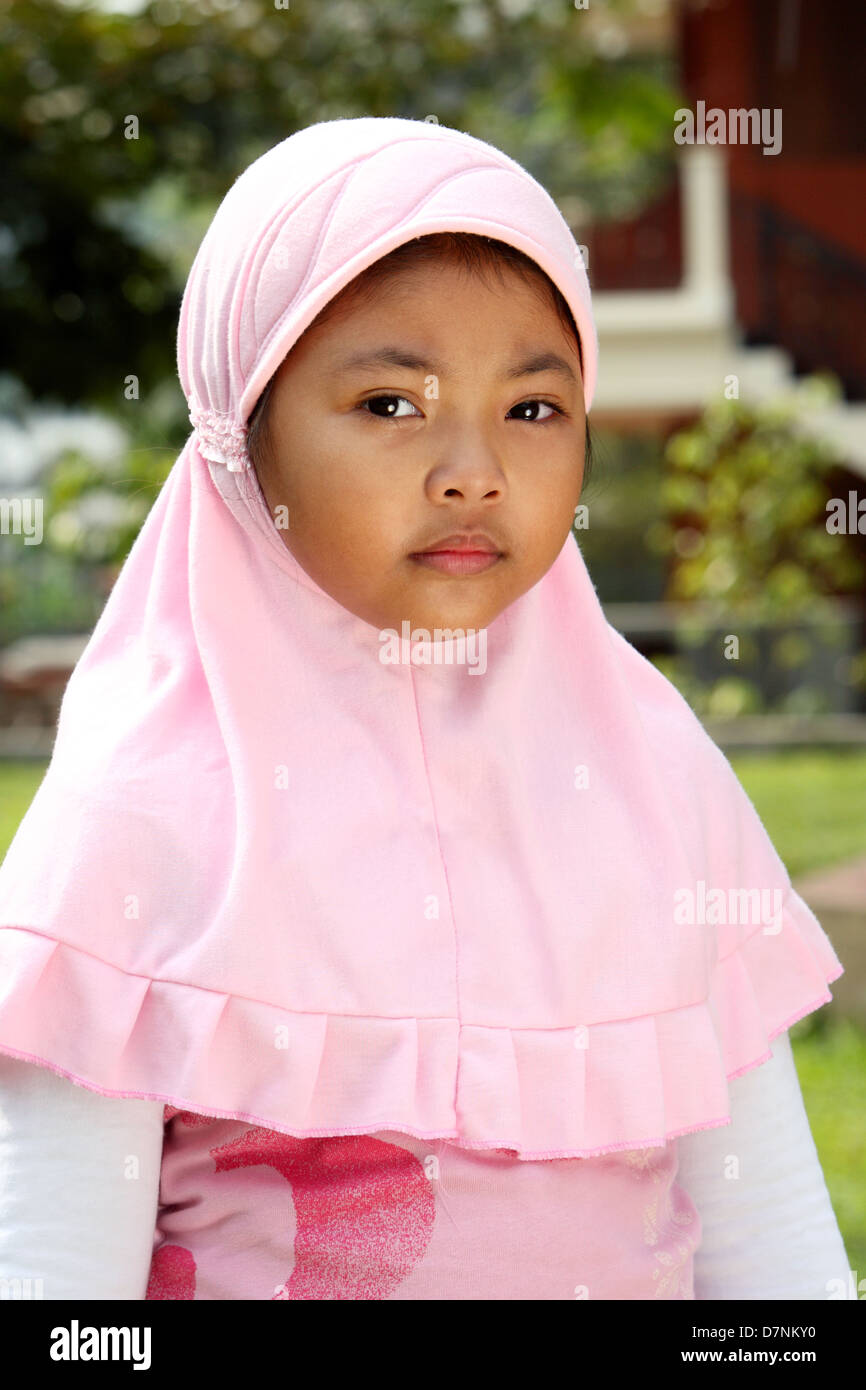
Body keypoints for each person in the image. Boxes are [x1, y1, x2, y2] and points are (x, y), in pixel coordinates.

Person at [0, 117, 852, 1301]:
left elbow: (773, 1250)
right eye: (391, 404)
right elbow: (52, 1280)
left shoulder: (656, 776)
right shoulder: (137, 821)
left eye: (534, 409)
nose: (472, 469)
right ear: (242, 435)